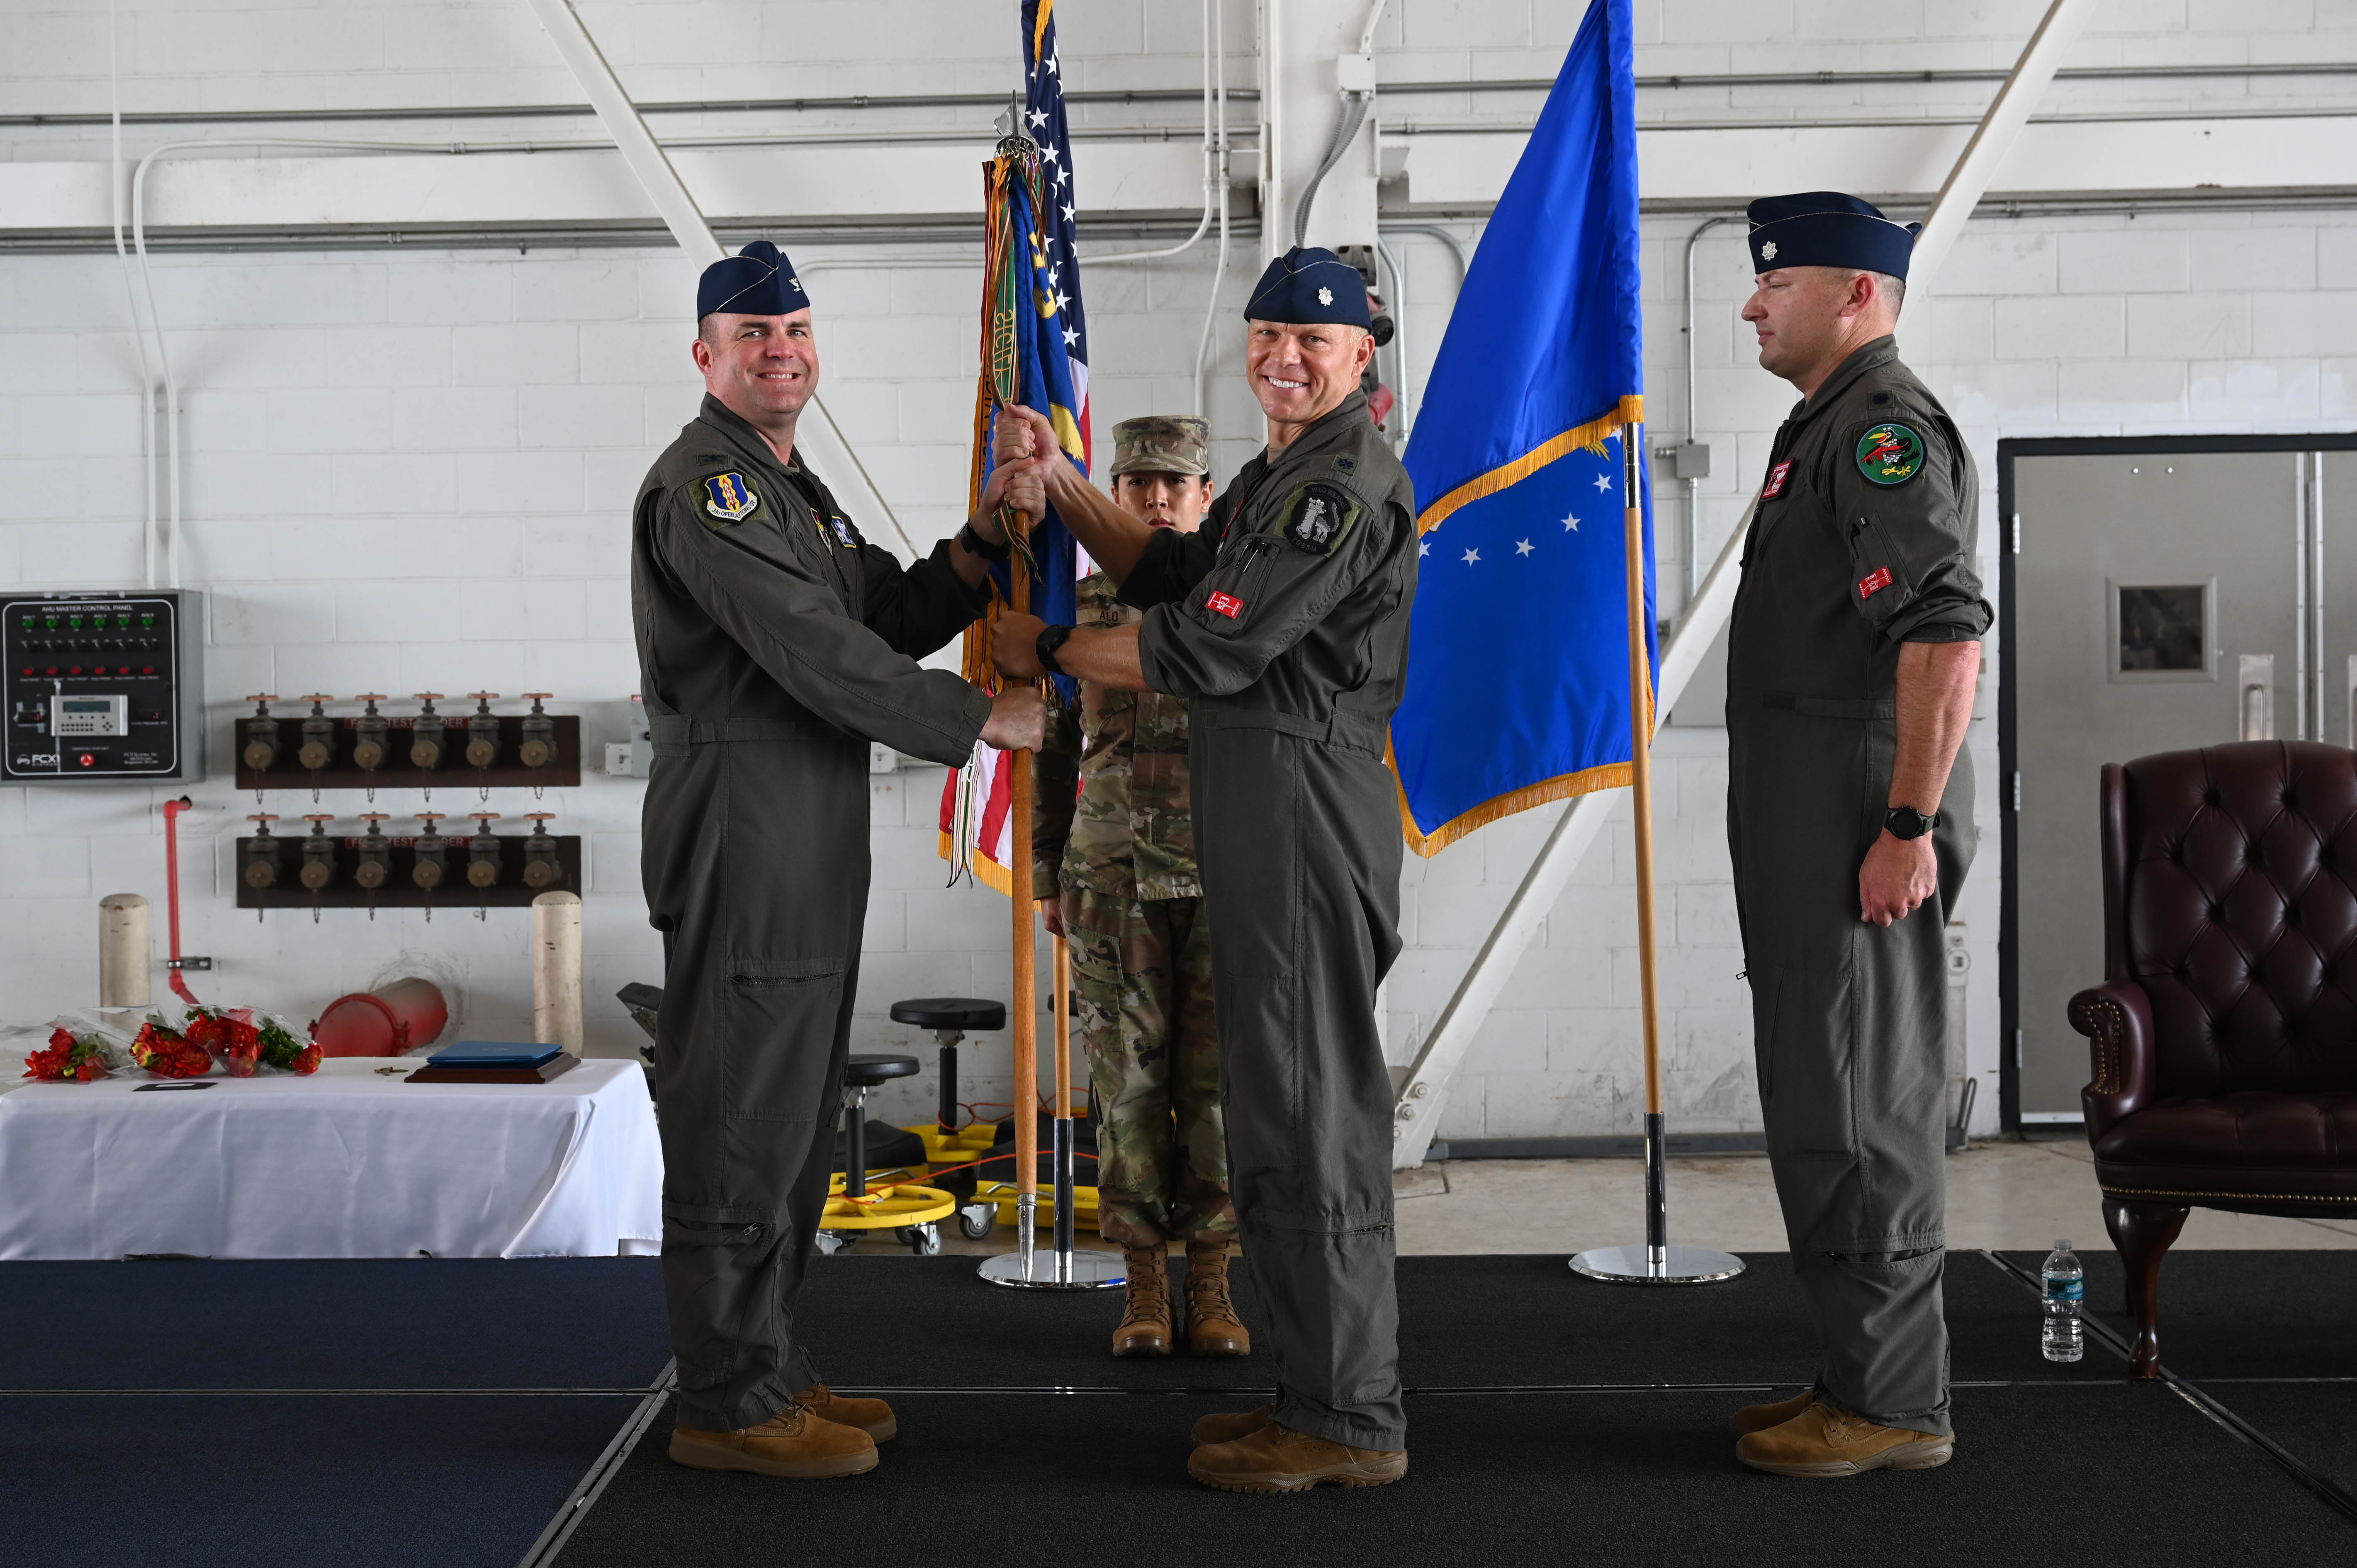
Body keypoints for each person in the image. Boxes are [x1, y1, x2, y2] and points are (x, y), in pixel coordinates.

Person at [994, 247, 1416, 1493]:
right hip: (1255, 809)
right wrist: (1065, 485)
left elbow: (1207, 644)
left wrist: (1054, 645)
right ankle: (1314, 1391)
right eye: (1267, 334)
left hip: (1297, 811)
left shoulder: (1337, 482)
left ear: (1361, 356)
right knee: (1274, 1116)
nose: (1283, 356)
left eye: (1313, 340)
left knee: (1309, 1117)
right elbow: (1176, 573)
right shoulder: (1279, 473)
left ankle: (1348, 1418)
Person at [632, 240, 1048, 1481]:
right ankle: (725, 1397)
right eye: (753, 334)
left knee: (792, 1108)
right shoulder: (709, 486)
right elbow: (810, 643)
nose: (780, 349)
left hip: (802, 812)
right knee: (743, 1109)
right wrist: (977, 721)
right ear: (706, 355)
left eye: (796, 329)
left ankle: (767, 1357)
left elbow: (879, 610)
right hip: (744, 812)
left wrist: (979, 541)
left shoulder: (790, 486)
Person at [1723, 193, 1990, 1478]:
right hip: (1814, 796)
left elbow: (1942, 632)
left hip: (1857, 797)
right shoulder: (1824, 426)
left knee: (1863, 1097)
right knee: (1821, 1091)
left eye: (1778, 284)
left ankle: (1894, 1401)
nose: (1751, 304)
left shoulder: (1882, 431)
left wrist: (1906, 823)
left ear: (1858, 297)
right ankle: (1858, 1369)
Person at [1031, 414, 1247, 1361]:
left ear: (1207, 499)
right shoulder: (1073, 614)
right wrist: (1043, 869)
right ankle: (1143, 1291)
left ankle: (1212, 1284)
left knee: (1215, 1093)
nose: (1158, 500)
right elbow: (1048, 750)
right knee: (1125, 1085)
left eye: (1176, 486)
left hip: (1223, 874)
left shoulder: (1239, 603)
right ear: (1111, 497)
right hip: (1110, 875)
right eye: (1138, 486)